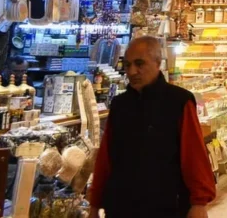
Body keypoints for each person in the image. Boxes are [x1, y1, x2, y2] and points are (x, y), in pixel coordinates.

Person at [89, 37, 215, 218]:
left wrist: (199, 203)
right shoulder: (120, 105)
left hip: (167, 206)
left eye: (139, 64)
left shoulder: (179, 101)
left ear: (158, 63)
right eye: (128, 65)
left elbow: (194, 154)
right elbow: (106, 158)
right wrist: (95, 204)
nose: (132, 71)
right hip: (121, 206)